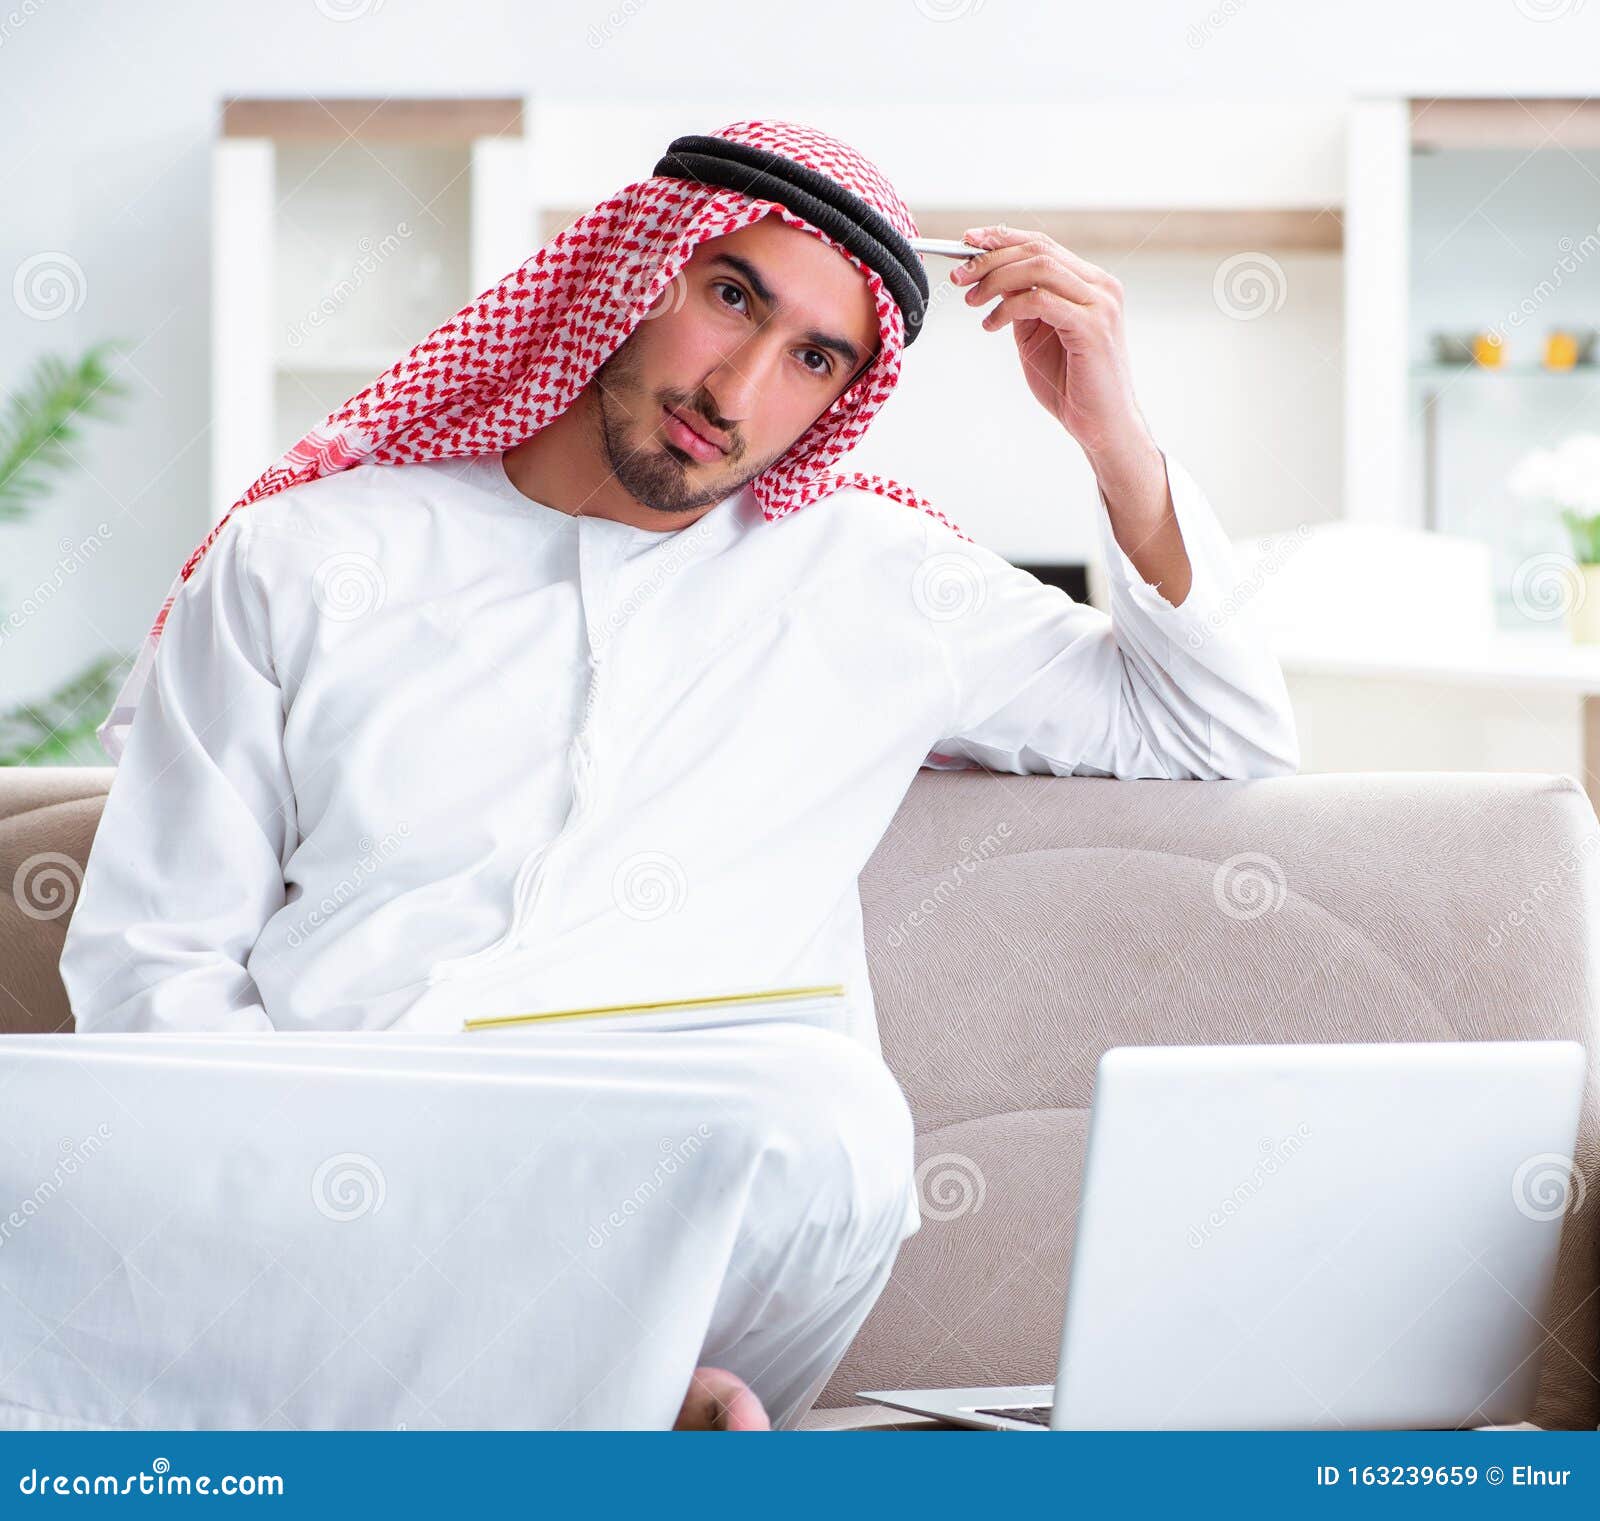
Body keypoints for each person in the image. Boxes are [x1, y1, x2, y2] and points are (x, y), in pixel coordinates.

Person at [53, 120, 1299, 1431]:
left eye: (815, 356)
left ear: (842, 397)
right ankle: (604, 1404)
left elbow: (1216, 733)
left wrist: (1112, 432)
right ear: (633, 268)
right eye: (731, 297)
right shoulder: (302, 557)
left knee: (823, 1115)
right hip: (325, 1165)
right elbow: (157, 969)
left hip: (676, 1185)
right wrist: (306, 1204)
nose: (740, 388)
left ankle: (565, 1386)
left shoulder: (876, 578)